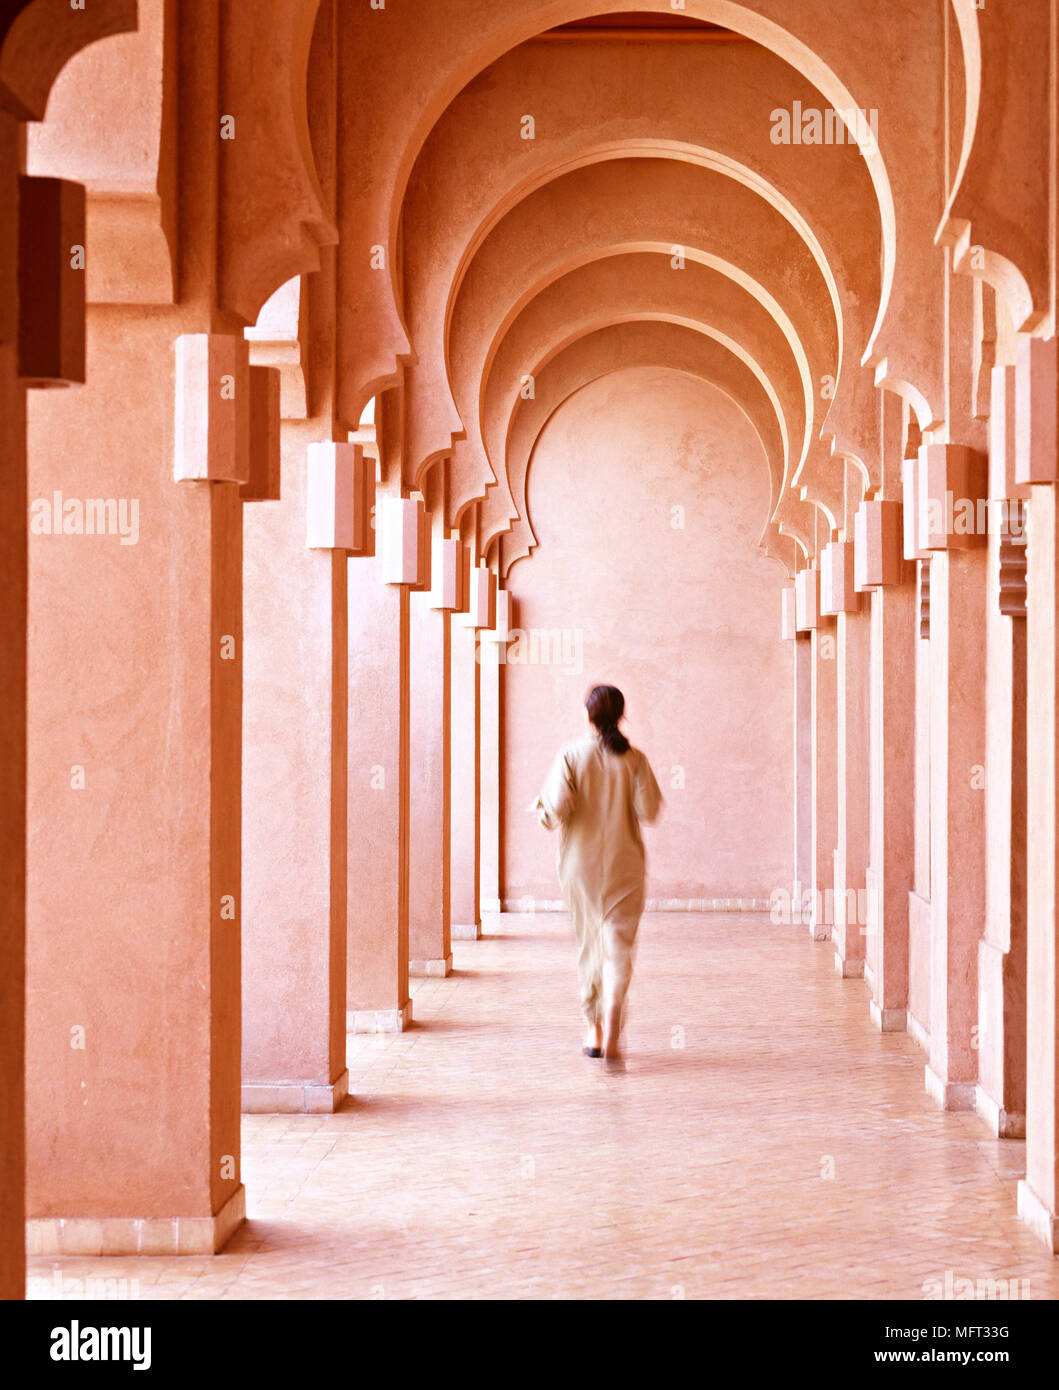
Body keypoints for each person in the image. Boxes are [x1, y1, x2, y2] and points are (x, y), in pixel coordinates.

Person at [534, 685, 663, 1067]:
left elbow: (555, 808)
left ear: (589, 716)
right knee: (618, 946)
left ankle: (594, 1027)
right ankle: (614, 1018)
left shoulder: (571, 755)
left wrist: (540, 810)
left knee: (590, 942)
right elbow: (650, 809)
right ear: (621, 716)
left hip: (580, 866)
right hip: (625, 865)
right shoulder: (635, 759)